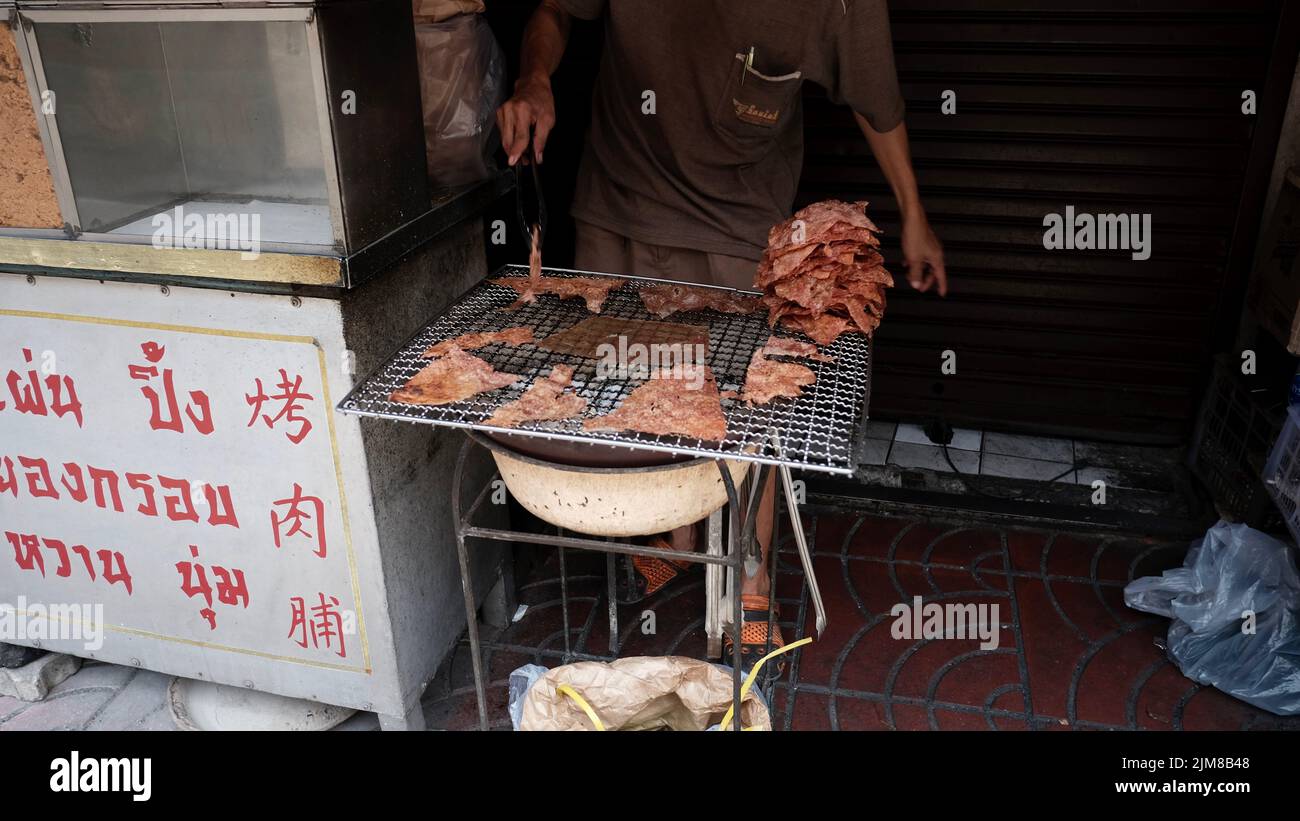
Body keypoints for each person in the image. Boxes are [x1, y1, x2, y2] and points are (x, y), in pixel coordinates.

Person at [497, 0, 946, 672]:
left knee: (746, 408)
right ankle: (670, 530)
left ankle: (751, 584)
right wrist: (534, 78)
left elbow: (875, 101)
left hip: (737, 221)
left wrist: (914, 211)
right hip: (620, 199)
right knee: (625, 381)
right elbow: (555, 11)